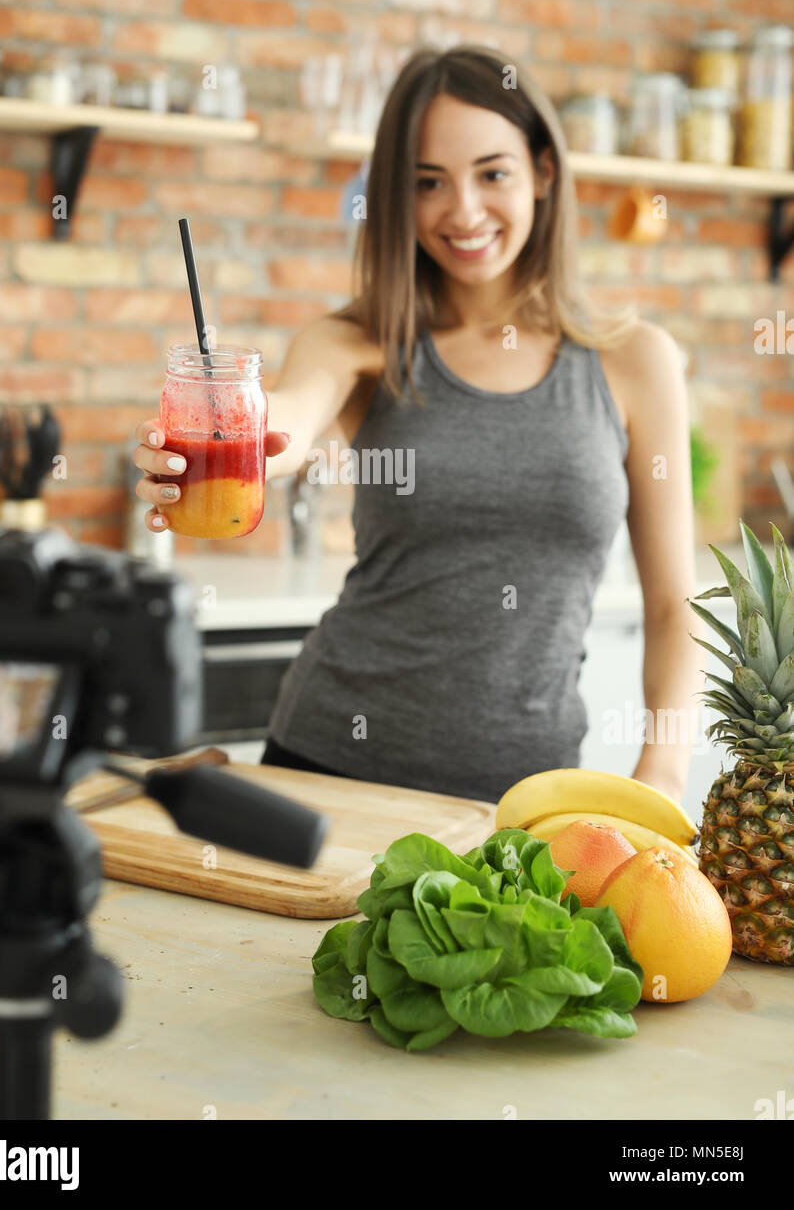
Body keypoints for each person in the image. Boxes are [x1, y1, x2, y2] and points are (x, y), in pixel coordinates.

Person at [133, 44, 704, 805]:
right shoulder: (357, 343)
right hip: (332, 767)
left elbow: (674, 609)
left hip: (524, 796)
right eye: (428, 183)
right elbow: (285, 423)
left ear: (543, 172)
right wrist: (215, 448)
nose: (462, 211)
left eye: (492, 173)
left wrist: (660, 778)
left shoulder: (636, 361)